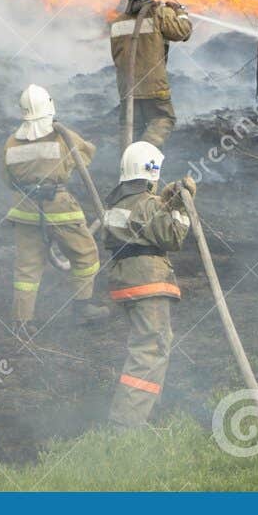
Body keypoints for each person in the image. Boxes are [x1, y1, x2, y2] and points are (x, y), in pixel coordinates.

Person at [102, 140, 197, 428]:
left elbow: (142, 226)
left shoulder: (117, 203)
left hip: (126, 279)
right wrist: (179, 208)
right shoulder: (147, 204)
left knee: (153, 344)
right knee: (150, 348)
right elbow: (173, 238)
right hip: (147, 281)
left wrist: (165, 204)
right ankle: (126, 425)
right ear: (151, 173)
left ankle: (142, 411)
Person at [3, 84, 105, 338]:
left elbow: (6, 179)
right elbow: (86, 156)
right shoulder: (61, 135)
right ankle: (82, 308)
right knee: (86, 255)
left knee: (26, 269)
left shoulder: (11, 142)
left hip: (24, 209)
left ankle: (22, 323)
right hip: (59, 208)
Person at [109, 0, 191, 148]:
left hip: (127, 88)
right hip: (154, 87)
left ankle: (128, 167)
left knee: (130, 128)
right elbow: (183, 32)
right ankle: (145, 154)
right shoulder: (159, 13)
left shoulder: (117, 23)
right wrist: (181, 11)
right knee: (163, 119)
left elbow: (117, 57)